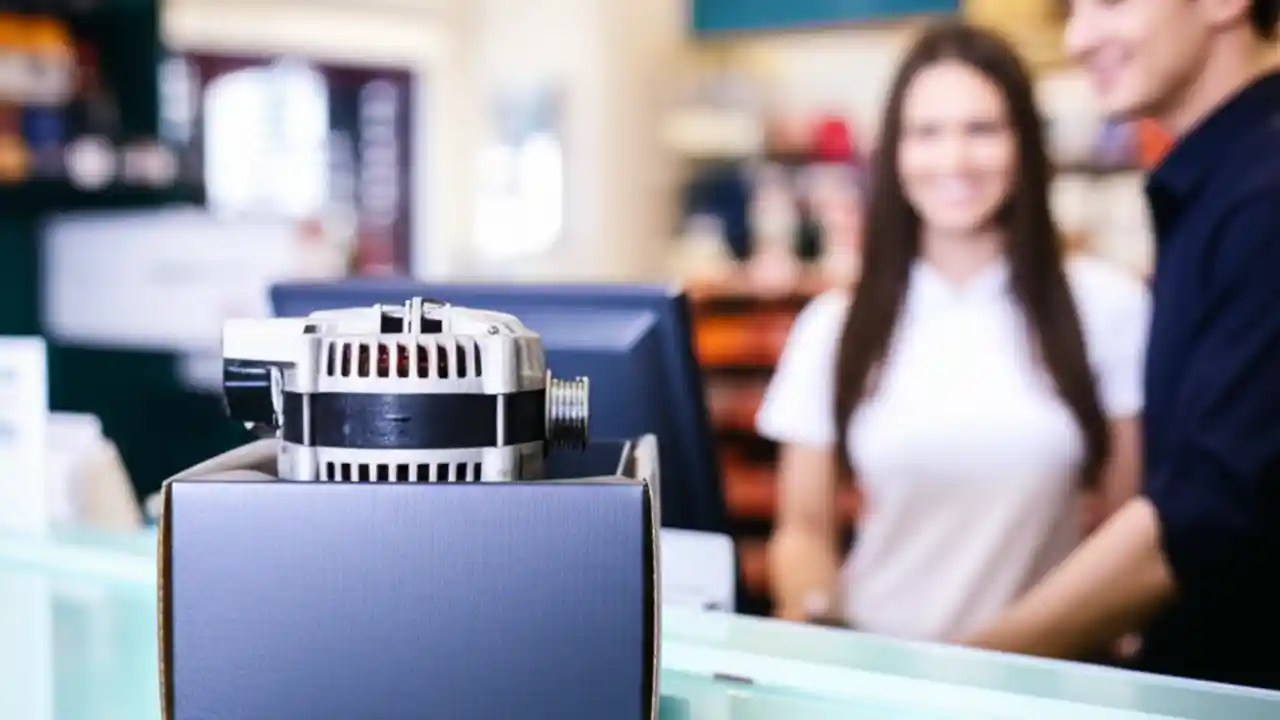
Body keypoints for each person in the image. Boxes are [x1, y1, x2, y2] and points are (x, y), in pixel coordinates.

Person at [755, 23, 1150, 642]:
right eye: (927, 133)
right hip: (876, 672)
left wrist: (995, 660)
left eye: (982, 130)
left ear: (1025, 144)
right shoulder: (833, 327)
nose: (954, 159)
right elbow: (803, 531)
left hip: (1048, 674)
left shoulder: (1108, 307)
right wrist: (816, 627)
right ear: (894, 154)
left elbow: (1132, 531)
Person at [964, 0, 1280, 690]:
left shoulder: (1263, 197)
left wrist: (959, 669)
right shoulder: (1212, 185)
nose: (1078, 39)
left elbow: (1204, 515)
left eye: (1108, 3)